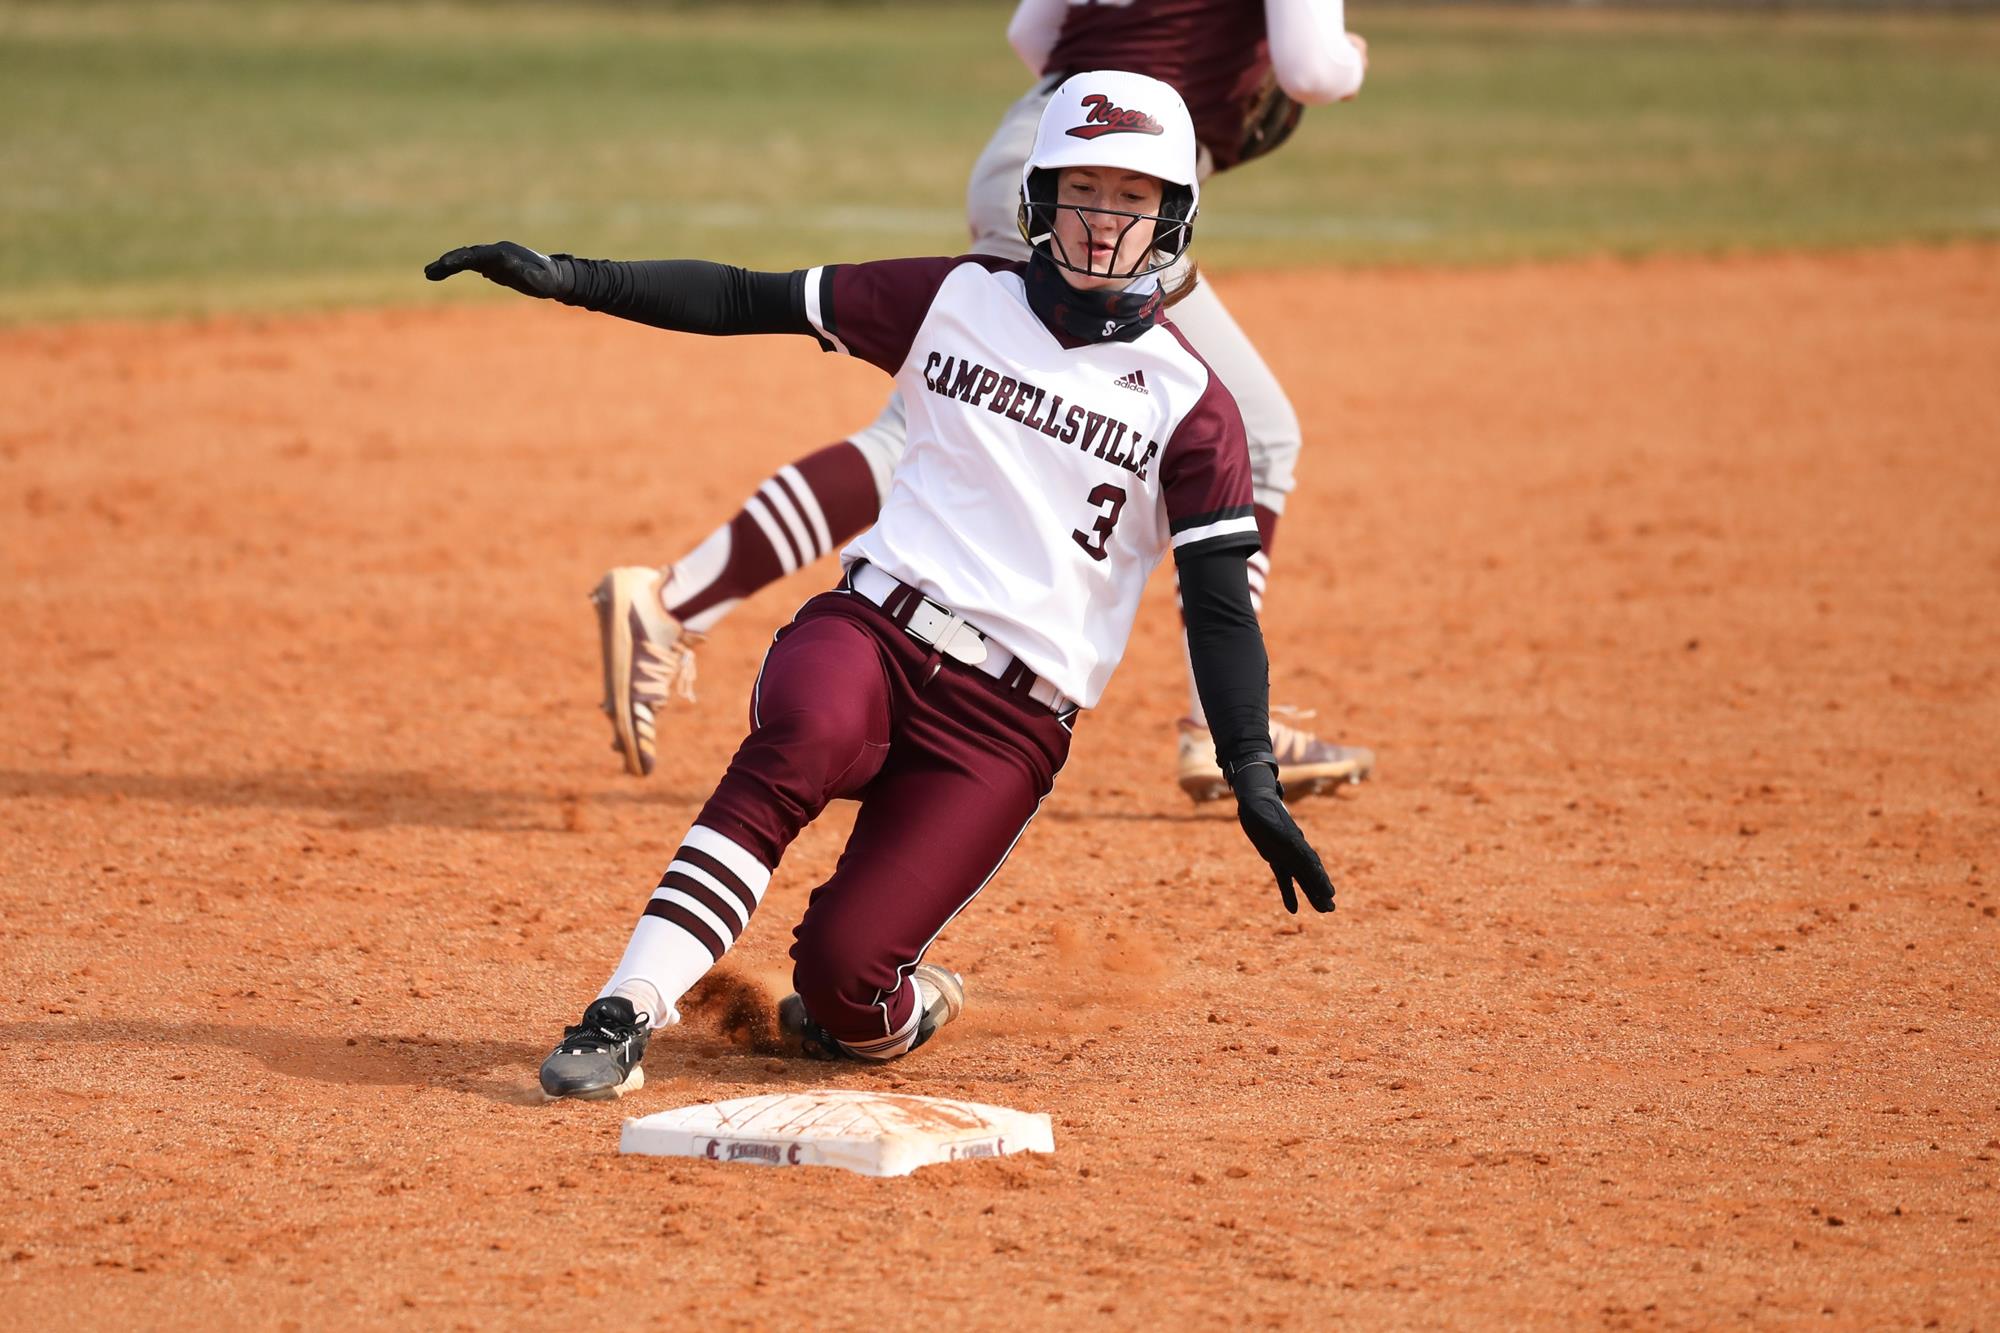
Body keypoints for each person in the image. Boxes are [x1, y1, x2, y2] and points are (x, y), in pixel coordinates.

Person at [427, 71, 1339, 1099]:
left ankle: (903, 1004)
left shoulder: (1193, 405)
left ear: (1172, 216)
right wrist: (570, 277)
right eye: (1082, 190)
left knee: (844, 988)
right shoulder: (956, 298)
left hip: (1005, 724)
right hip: (872, 632)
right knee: (802, 736)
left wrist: (1250, 770)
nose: (1100, 222)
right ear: (1040, 198)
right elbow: (745, 297)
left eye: (1130, 200)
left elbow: (1217, 608)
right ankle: (621, 1009)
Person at [592, 0, 1375, 805]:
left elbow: (1030, 35)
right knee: (1249, 430)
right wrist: (1348, 61)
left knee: (953, 407)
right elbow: (1309, 69)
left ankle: (675, 597)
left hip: (1045, 149)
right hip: (1100, 194)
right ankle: (674, 596)